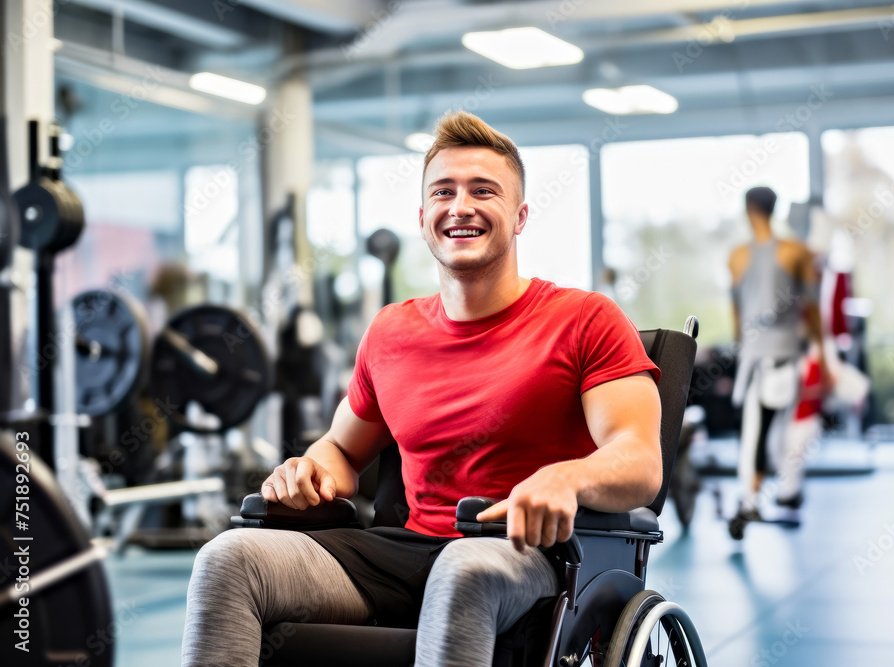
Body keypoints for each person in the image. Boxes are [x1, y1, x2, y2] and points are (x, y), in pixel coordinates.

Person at [181, 110, 663, 667]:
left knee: (464, 570)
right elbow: (341, 449)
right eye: (444, 192)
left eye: (484, 191)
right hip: (403, 553)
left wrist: (568, 477)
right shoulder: (391, 330)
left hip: (530, 552)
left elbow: (639, 460)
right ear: (423, 216)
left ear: (520, 215)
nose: (461, 206)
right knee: (229, 559)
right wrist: (309, 469)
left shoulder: (585, 319)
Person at [727, 186, 828, 537]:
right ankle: (768, 496)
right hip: (785, 353)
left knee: (761, 432)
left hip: (759, 356)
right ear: (775, 208)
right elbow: (813, 310)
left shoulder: (736, 257)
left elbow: (737, 315)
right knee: (777, 430)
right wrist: (823, 353)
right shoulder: (797, 252)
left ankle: (755, 499)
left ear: (748, 209)